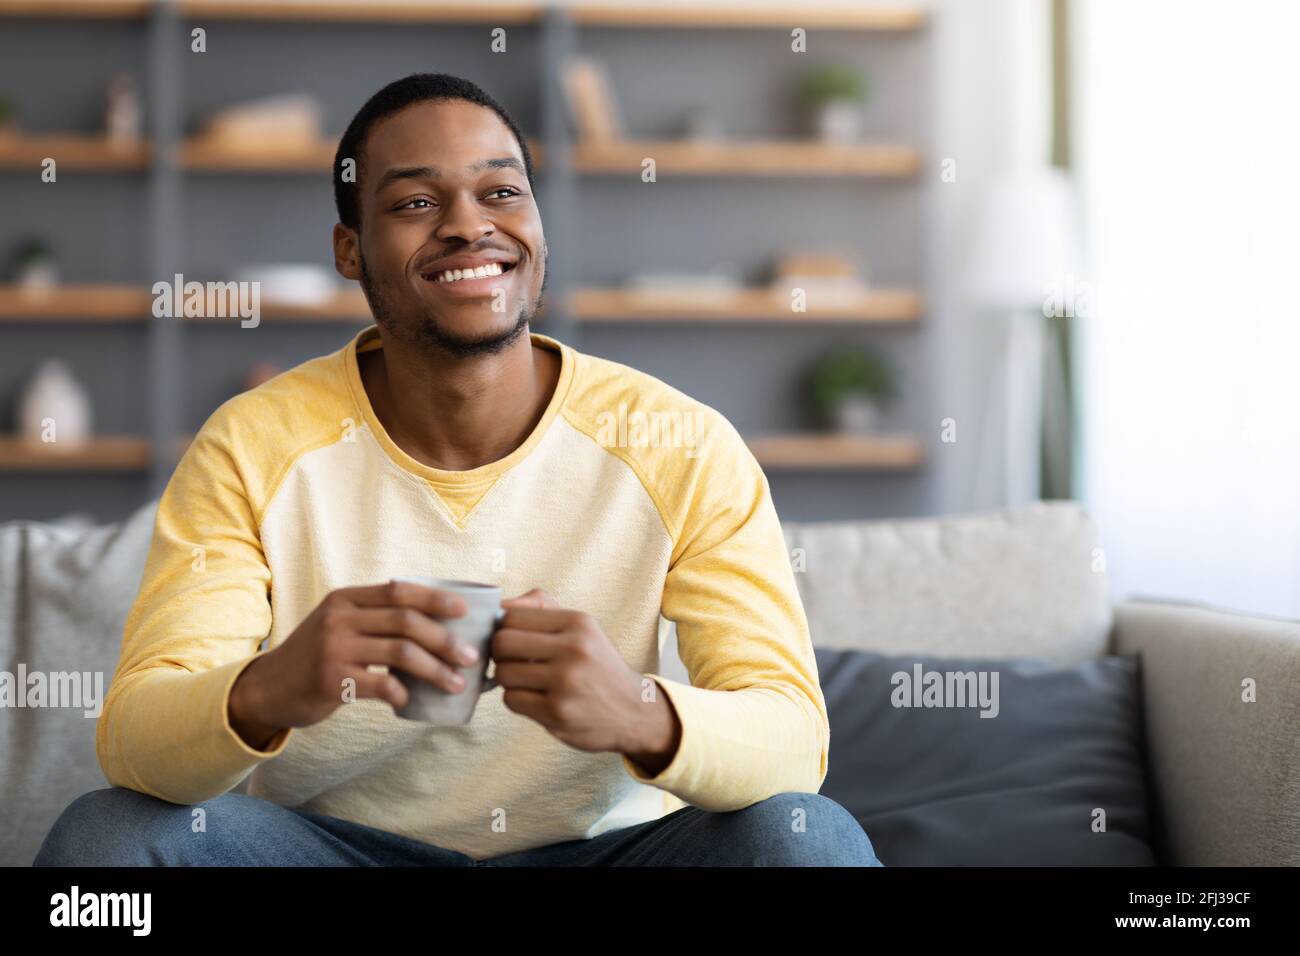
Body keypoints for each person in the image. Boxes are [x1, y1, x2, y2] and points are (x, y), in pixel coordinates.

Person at [34, 73, 879, 867]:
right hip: (330, 851)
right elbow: (135, 739)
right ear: (350, 249)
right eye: (414, 202)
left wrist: (640, 713)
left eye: (502, 192)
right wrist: (272, 686)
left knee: (805, 837)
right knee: (110, 836)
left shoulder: (679, 443)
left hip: (606, 856)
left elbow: (793, 741)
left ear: (539, 226)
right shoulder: (251, 446)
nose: (469, 224)